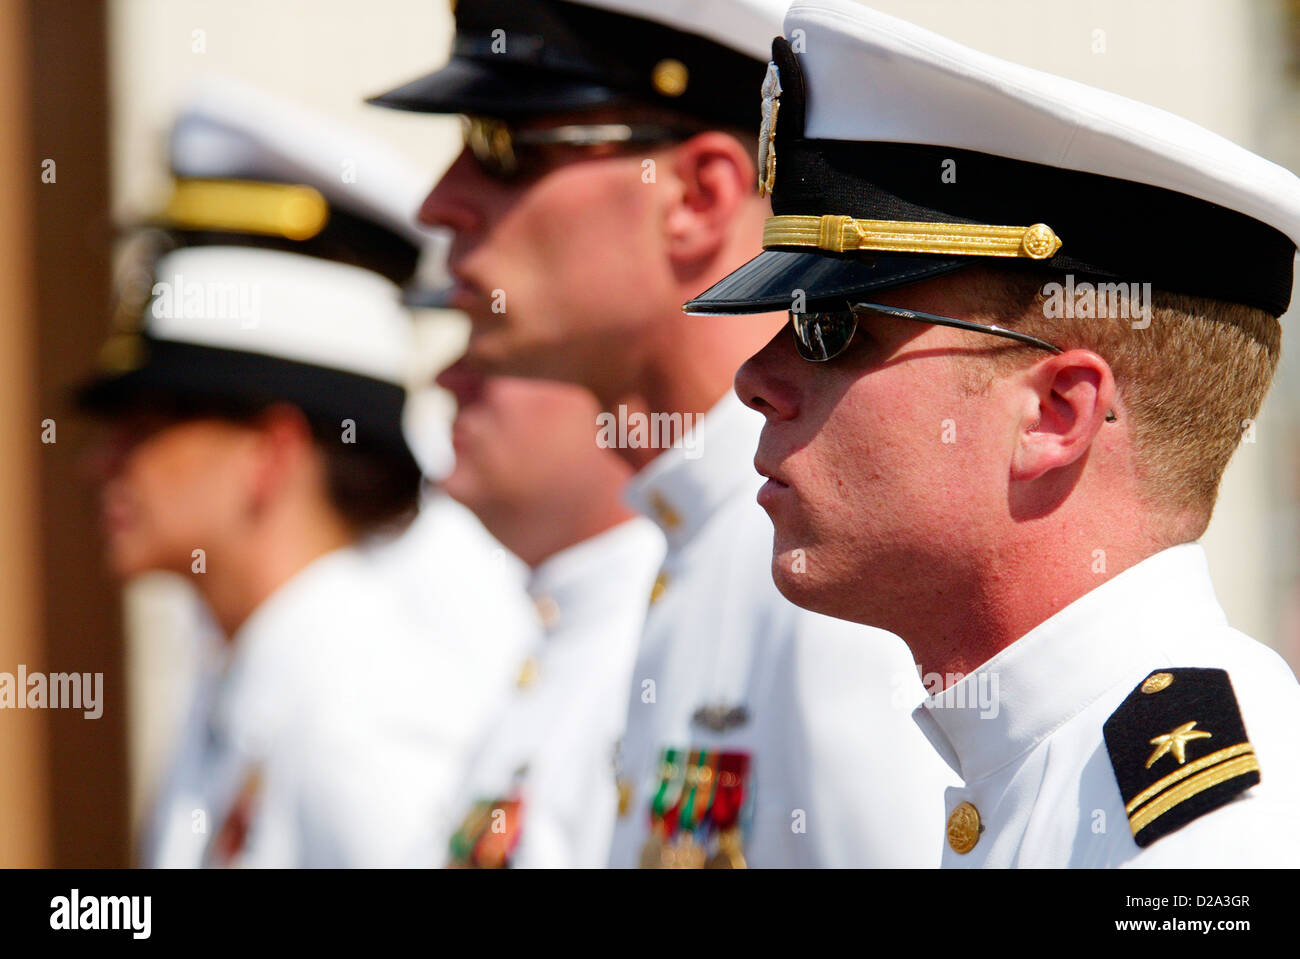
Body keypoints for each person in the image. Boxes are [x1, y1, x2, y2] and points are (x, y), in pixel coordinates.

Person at [687, 0, 1300, 866]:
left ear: (1056, 416)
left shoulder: (1207, 842)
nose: (754, 379)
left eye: (831, 325)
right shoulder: (1038, 770)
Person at [372, 0, 956, 867]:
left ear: (695, 196)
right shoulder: (698, 543)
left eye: (508, 148)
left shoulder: (827, 569)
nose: (441, 201)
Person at [84, 82, 535, 867]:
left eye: (148, 427)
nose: (104, 463)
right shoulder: (246, 686)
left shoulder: (356, 725)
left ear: (273, 451)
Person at [434, 358, 664, 867]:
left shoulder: (658, 640)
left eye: (497, 355)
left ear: (616, 390)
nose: (449, 379)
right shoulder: (560, 631)